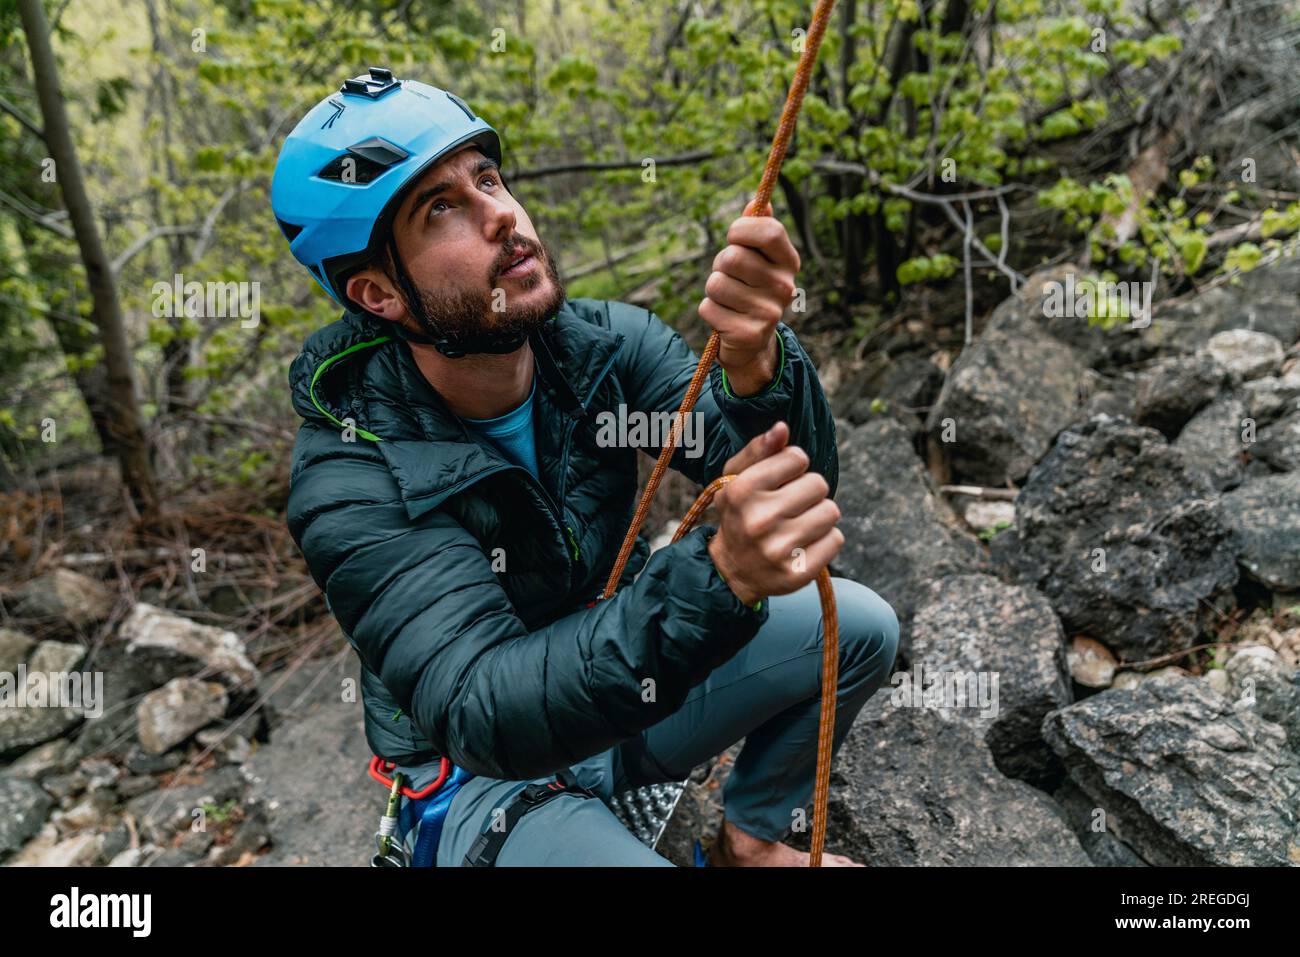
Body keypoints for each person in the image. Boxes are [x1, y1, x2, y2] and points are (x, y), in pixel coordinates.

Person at [274, 69, 899, 866]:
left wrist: (755, 363)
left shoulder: (605, 347)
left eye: (489, 178)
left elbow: (784, 476)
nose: (503, 214)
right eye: (442, 208)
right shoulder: (350, 469)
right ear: (379, 293)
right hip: (486, 778)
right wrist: (716, 577)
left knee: (862, 628)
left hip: (624, 696)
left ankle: (753, 838)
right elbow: (480, 704)